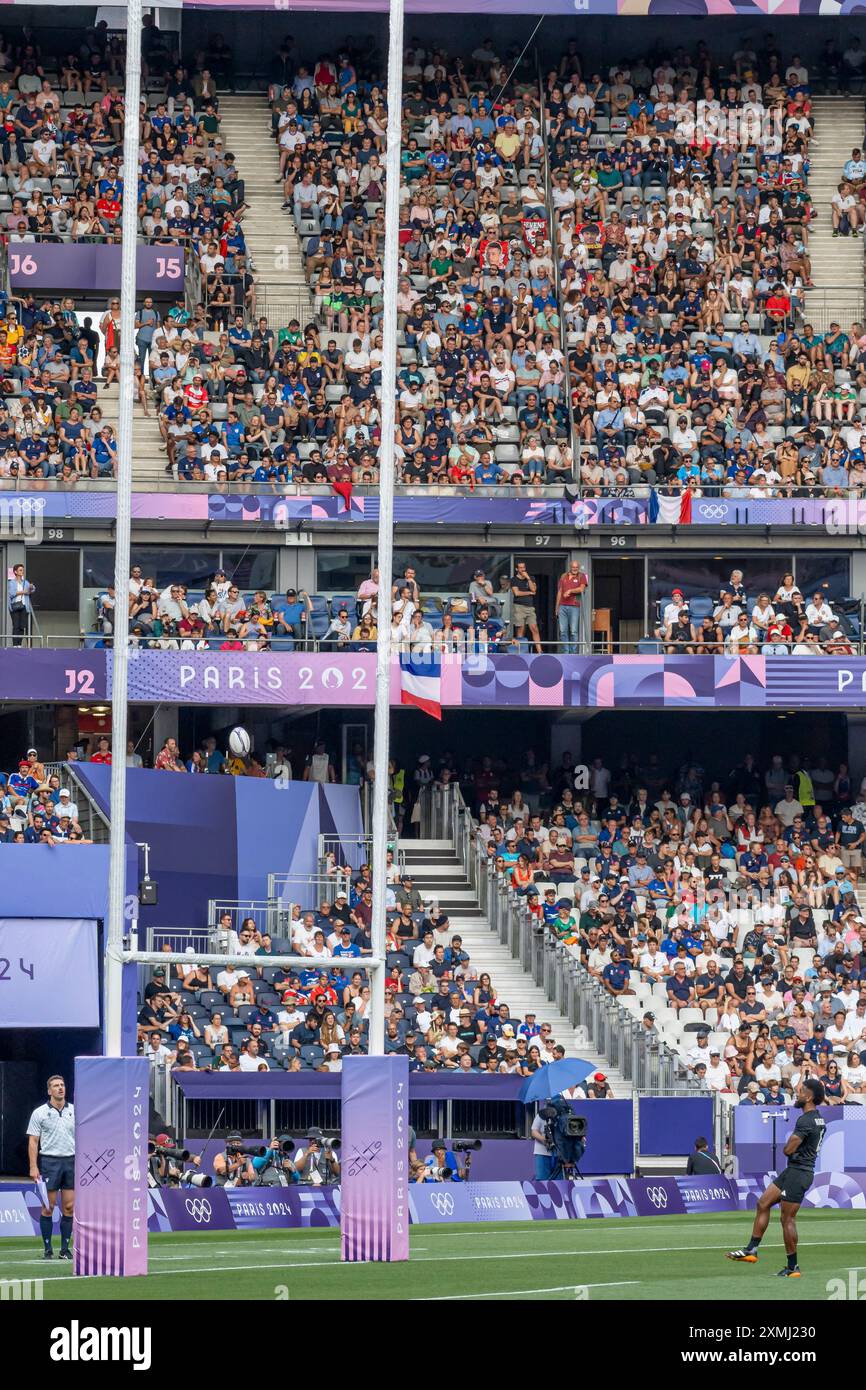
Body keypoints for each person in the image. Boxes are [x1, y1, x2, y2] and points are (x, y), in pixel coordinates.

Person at [726, 1077, 826, 1276]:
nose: (797, 1093)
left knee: (787, 1219)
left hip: (799, 1173)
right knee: (763, 1203)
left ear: (809, 1096)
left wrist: (791, 1148)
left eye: (801, 1090)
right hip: (795, 1171)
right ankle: (751, 1249)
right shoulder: (819, 1118)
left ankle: (792, 1267)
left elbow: (788, 1149)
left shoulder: (805, 1120)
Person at [26, 1075, 75, 1259]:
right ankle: (48, 1249)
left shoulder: (74, 1111)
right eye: (56, 1086)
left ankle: (65, 1249)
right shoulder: (39, 1113)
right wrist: (33, 1166)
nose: (60, 1088)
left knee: (69, 1207)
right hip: (50, 1161)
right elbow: (33, 1141)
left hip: (70, 1161)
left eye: (62, 1085)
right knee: (49, 1206)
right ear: (49, 1091)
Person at [7, 562, 35, 646]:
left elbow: (33, 590)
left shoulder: (25, 582)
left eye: (22, 570)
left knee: (22, 626)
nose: (22, 571)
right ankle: (15, 645)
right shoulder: (12, 582)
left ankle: (19, 644)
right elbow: (12, 593)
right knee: (16, 625)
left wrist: (31, 587)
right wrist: (24, 591)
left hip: (24, 607)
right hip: (15, 606)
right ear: (15, 572)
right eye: (20, 570)